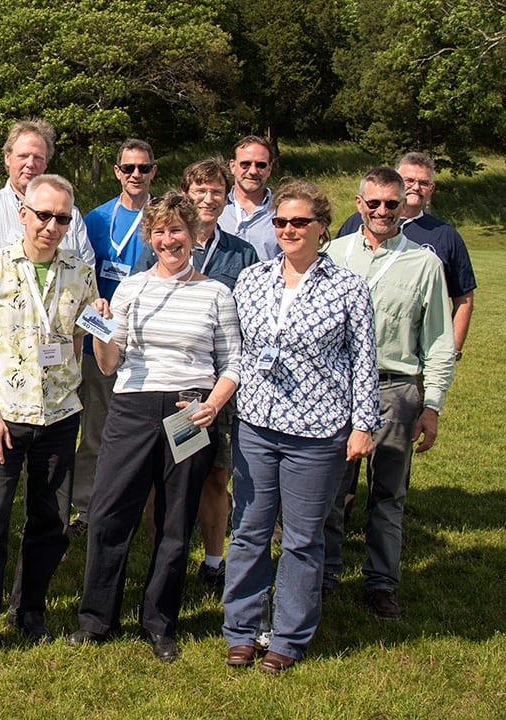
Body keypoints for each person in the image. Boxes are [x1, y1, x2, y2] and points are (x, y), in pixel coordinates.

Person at [70, 191, 240, 663]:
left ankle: (159, 623)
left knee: (175, 517)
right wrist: (100, 330)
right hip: (132, 407)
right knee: (108, 512)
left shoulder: (216, 294)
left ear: (194, 235)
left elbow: (233, 362)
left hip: (190, 408)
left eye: (178, 231)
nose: (169, 240)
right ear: (151, 236)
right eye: (160, 232)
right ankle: (96, 619)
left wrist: (214, 405)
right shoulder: (131, 290)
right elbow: (108, 365)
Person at [223, 180, 379, 674]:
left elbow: (364, 361)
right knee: (247, 531)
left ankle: (288, 637)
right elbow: (239, 350)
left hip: (318, 431)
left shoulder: (348, 286)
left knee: (302, 539)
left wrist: (362, 425)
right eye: (281, 222)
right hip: (255, 423)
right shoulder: (251, 279)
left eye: (299, 222)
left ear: (321, 227)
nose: (288, 229)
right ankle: (242, 630)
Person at [0, 174, 97, 667]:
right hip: (2, 421)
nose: (51, 225)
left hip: (59, 417)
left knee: (49, 523)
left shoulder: (80, 273)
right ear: (23, 214)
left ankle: (28, 610)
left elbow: (78, 339)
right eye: (43, 215)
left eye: (62, 218)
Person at [323, 167, 456, 619]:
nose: (382, 212)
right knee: (332, 490)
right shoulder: (333, 254)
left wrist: (432, 403)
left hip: (395, 388)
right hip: (337, 387)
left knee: (388, 493)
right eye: (373, 203)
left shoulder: (425, 263)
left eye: (391, 204)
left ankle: (381, 583)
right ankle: (325, 574)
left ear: (406, 206)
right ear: (359, 204)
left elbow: (438, 341)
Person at [132, 158, 261, 589]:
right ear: (186, 195)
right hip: (164, 385)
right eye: (199, 191)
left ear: (228, 199)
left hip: (217, 385)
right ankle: (164, 557)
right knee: (161, 476)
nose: (208, 199)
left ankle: (212, 559)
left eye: (216, 192)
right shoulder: (160, 243)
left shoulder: (242, 253)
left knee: (214, 475)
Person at [71, 139, 158, 535]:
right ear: (116, 171)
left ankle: (142, 508)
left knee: (145, 434)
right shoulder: (97, 219)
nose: (135, 175)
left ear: (153, 171)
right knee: (95, 430)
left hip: (150, 346)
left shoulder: (162, 219)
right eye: (128, 168)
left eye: (143, 168)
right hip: (101, 342)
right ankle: (86, 508)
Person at [336, 151, 475, 362]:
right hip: (346, 356)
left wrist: (451, 352)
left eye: (424, 182)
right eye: (409, 180)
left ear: (432, 189)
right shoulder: (356, 222)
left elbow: (464, 298)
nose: (416, 187)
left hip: (408, 361)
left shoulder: (445, 234)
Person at [0, 118, 94, 262]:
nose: (30, 164)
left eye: (38, 158)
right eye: (23, 156)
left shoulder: (71, 214)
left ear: (46, 163)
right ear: (7, 158)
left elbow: (87, 271)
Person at [219, 135, 281, 261]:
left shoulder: (281, 211)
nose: (253, 171)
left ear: (269, 169)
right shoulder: (214, 208)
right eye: (245, 164)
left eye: (261, 165)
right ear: (232, 166)